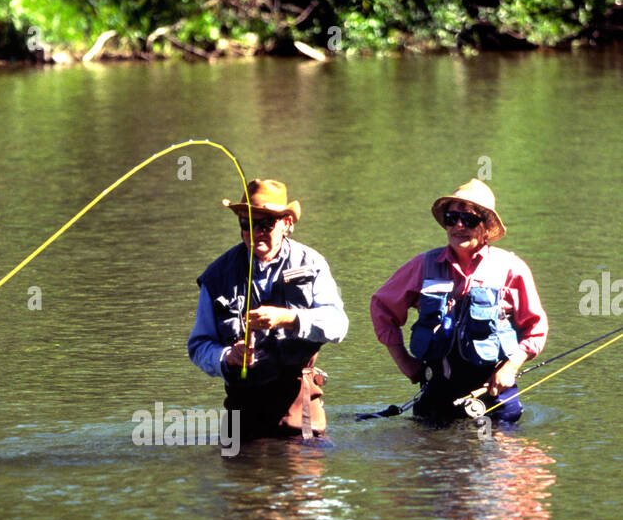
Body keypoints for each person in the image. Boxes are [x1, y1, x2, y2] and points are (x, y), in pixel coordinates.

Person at [370, 179, 548, 423]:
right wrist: (404, 362)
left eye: (470, 219)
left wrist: (510, 368)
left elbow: (536, 329)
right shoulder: (423, 265)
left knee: (504, 456)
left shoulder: (511, 268)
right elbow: (381, 306)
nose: (459, 225)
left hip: (494, 396)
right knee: (432, 454)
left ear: (486, 227)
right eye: (452, 218)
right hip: (436, 394)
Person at [188, 178, 348, 441]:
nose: (256, 231)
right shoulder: (216, 276)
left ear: (286, 224)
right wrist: (228, 356)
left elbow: (337, 325)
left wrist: (289, 318)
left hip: (302, 408)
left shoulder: (313, 264)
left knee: (303, 473)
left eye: (266, 223)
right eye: (248, 222)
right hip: (242, 412)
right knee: (240, 480)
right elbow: (199, 346)